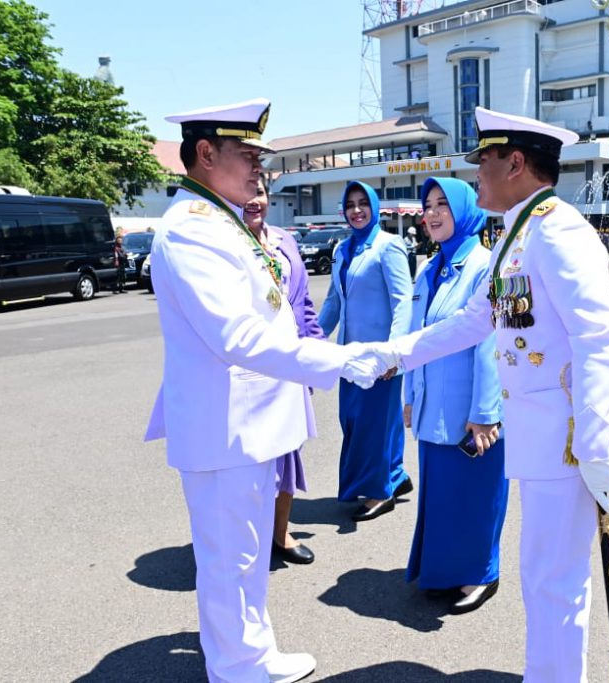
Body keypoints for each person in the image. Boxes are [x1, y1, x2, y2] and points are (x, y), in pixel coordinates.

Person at [366, 107, 609, 682]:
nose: (476, 176)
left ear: (515, 162)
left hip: (568, 440)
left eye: (483, 162)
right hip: (544, 437)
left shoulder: (558, 230)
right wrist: (394, 354)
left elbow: (596, 339)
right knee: (542, 574)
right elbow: (473, 321)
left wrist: (593, 444)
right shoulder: (520, 231)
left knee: (555, 578)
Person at [144, 98, 381, 683]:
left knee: (246, 555)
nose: (260, 170)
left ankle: (254, 654)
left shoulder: (220, 220)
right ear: (204, 153)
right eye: (248, 155)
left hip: (248, 422)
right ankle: (236, 667)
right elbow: (239, 335)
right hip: (225, 425)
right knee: (229, 556)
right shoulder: (191, 232)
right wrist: (339, 360)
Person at [403, 177, 508, 615]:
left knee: (475, 495)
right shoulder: (430, 268)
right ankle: (444, 571)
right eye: (428, 205)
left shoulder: (488, 265)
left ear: (465, 209)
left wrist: (485, 412)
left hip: (471, 412)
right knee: (442, 494)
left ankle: (480, 573)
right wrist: (409, 395)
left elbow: (492, 342)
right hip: (432, 405)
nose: (432, 213)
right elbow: (415, 337)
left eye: (443, 204)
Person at [319, 181, 413, 522]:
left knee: (375, 424)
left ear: (374, 207)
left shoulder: (389, 246)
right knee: (355, 421)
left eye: (363, 203)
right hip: (349, 357)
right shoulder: (343, 249)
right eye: (350, 204)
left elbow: (403, 302)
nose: (356, 210)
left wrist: (393, 351)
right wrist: (310, 338)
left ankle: (378, 492)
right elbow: (333, 302)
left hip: (380, 358)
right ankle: (394, 475)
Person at [243, 178, 321, 566]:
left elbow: (303, 303)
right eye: (247, 194)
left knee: (288, 454)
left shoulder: (285, 242)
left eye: (259, 193)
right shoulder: (227, 242)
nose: (253, 201)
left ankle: (281, 533)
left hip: (290, 369)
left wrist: (315, 352)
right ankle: (248, 540)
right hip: (251, 373)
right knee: (252, 460)